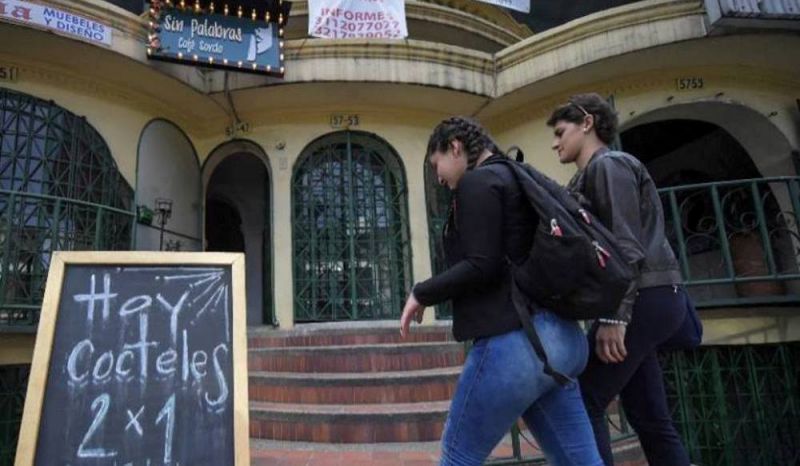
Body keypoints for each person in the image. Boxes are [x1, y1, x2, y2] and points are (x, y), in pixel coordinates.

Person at [400, 116, 603, 466]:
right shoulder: (515, 174)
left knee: (457, 457)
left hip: (515, 345)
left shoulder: (477, 182)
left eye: (436, 165)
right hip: (563, 340)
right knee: (579, 461)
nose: (439, 177)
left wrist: (422, 293)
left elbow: (482, 264)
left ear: (455, 147)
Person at [547, 93, 702, 466]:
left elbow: (626, 247)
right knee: (649, 417)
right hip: (650, 296)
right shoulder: (594, 173)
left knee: (584, 399)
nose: (555, 143)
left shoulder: (609, 165)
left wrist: (615, 317)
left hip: (640, 298)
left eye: (560, 132)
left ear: (587, 123)